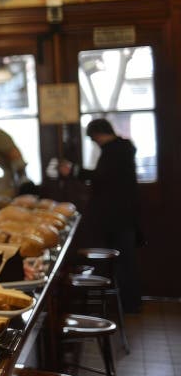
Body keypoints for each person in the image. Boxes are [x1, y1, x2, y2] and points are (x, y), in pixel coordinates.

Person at [60, 118, 142, 313]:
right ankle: (128, 302)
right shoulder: (121, 148)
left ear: (97, 134)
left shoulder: (114, 151)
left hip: (117, 216)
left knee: (123, 261)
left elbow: (101, 178)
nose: (94, 142)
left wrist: (74, 171)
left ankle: (128, 304)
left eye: (93, 138)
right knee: (125, 260)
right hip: (124, 215)